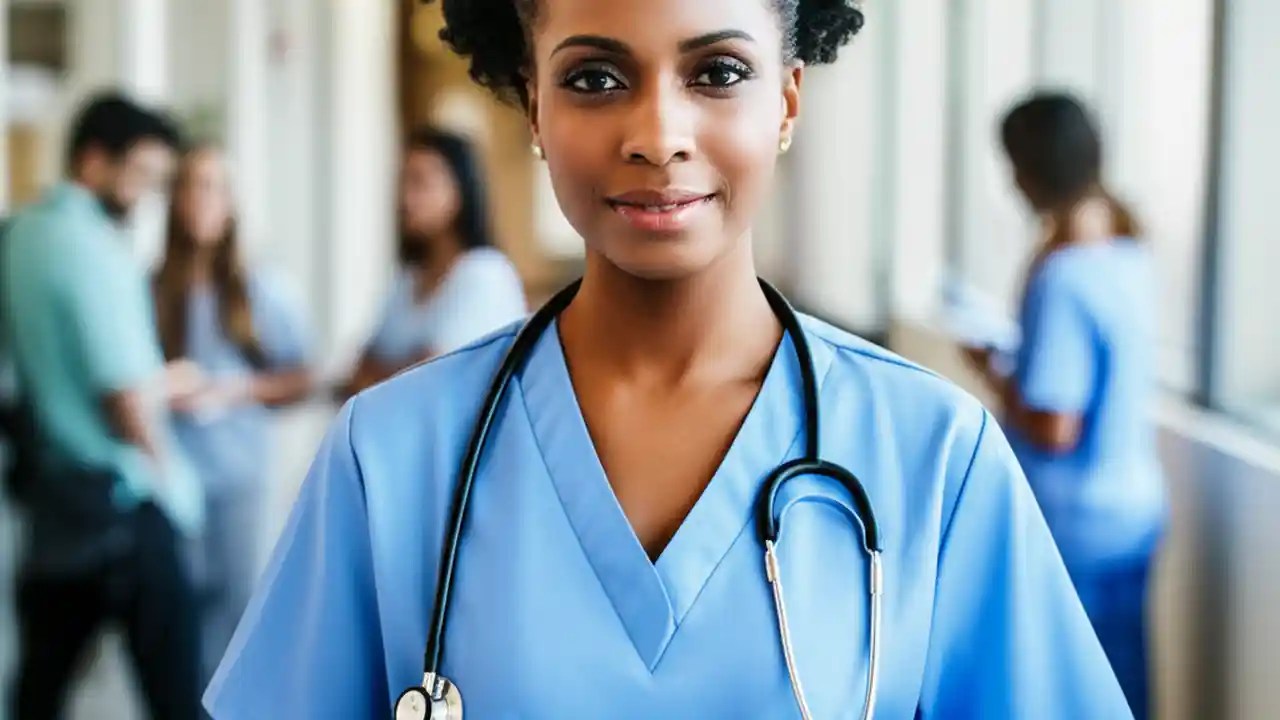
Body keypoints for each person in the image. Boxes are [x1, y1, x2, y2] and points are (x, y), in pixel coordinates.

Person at [205, 2, 1133, 718]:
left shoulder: (935, 454)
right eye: (596, 78)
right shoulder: (390, 453)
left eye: (719, 71)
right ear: (532, 104)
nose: (656, 134)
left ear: (788, 102)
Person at [0, 93, 204, 719]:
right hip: (123, 506)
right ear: (93, 161)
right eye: (138, 176)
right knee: (179, 699)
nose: (143, 195)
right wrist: (170, 480)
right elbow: (120, 390)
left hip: (56, 508)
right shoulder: (88, 244)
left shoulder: (20, 234)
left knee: (38, 695)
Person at [966, 93, 1165, 719]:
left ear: (1030, 171)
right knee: (1123, 674)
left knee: (1070, 687)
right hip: (1134, 505)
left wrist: (990, 373)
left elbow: (1054, 425)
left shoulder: (1064, 275)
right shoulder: (1131, 253)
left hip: (1075, 523)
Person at [152, 146, 314, 685]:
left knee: (239, 618)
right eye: (192, 185)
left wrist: (230, 391)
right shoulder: (152, 289)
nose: (202, 199)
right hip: (170, 480)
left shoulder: (261, 288)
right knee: (178, 622)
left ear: (232, 205)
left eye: (215, 187)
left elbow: (302, 376)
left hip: (239, 478)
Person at [339, 128, 526, 397]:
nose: (406, 198)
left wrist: (382, 375)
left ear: (460, 188)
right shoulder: (409, 278)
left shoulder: (485, 273)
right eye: (402, 181)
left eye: (420, 182)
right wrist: (400, 370)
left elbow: (434, 378)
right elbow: (358, 370)